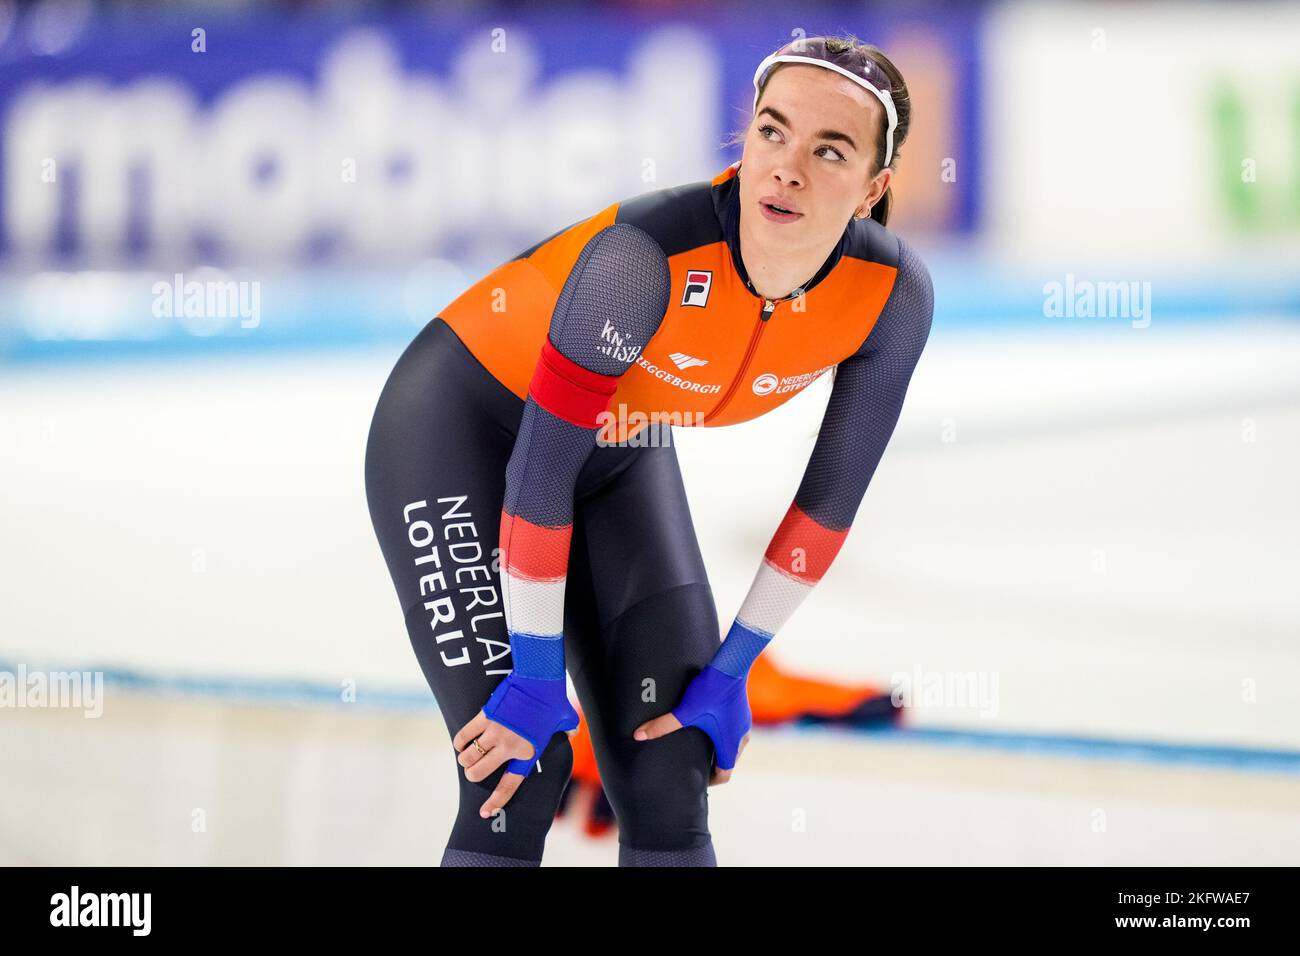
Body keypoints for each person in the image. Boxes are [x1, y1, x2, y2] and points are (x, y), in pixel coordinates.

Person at [363, 34, 934, 867]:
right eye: (771, 133)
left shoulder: (891, 298)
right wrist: (531, 675)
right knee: (519, 770)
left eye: (829, 150)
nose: (786, 168)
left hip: (618, 445)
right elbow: (537, 477)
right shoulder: (644, 259)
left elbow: (827, 506)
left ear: (875, 188)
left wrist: (735, 668)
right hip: (461, 427)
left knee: (671, 766)